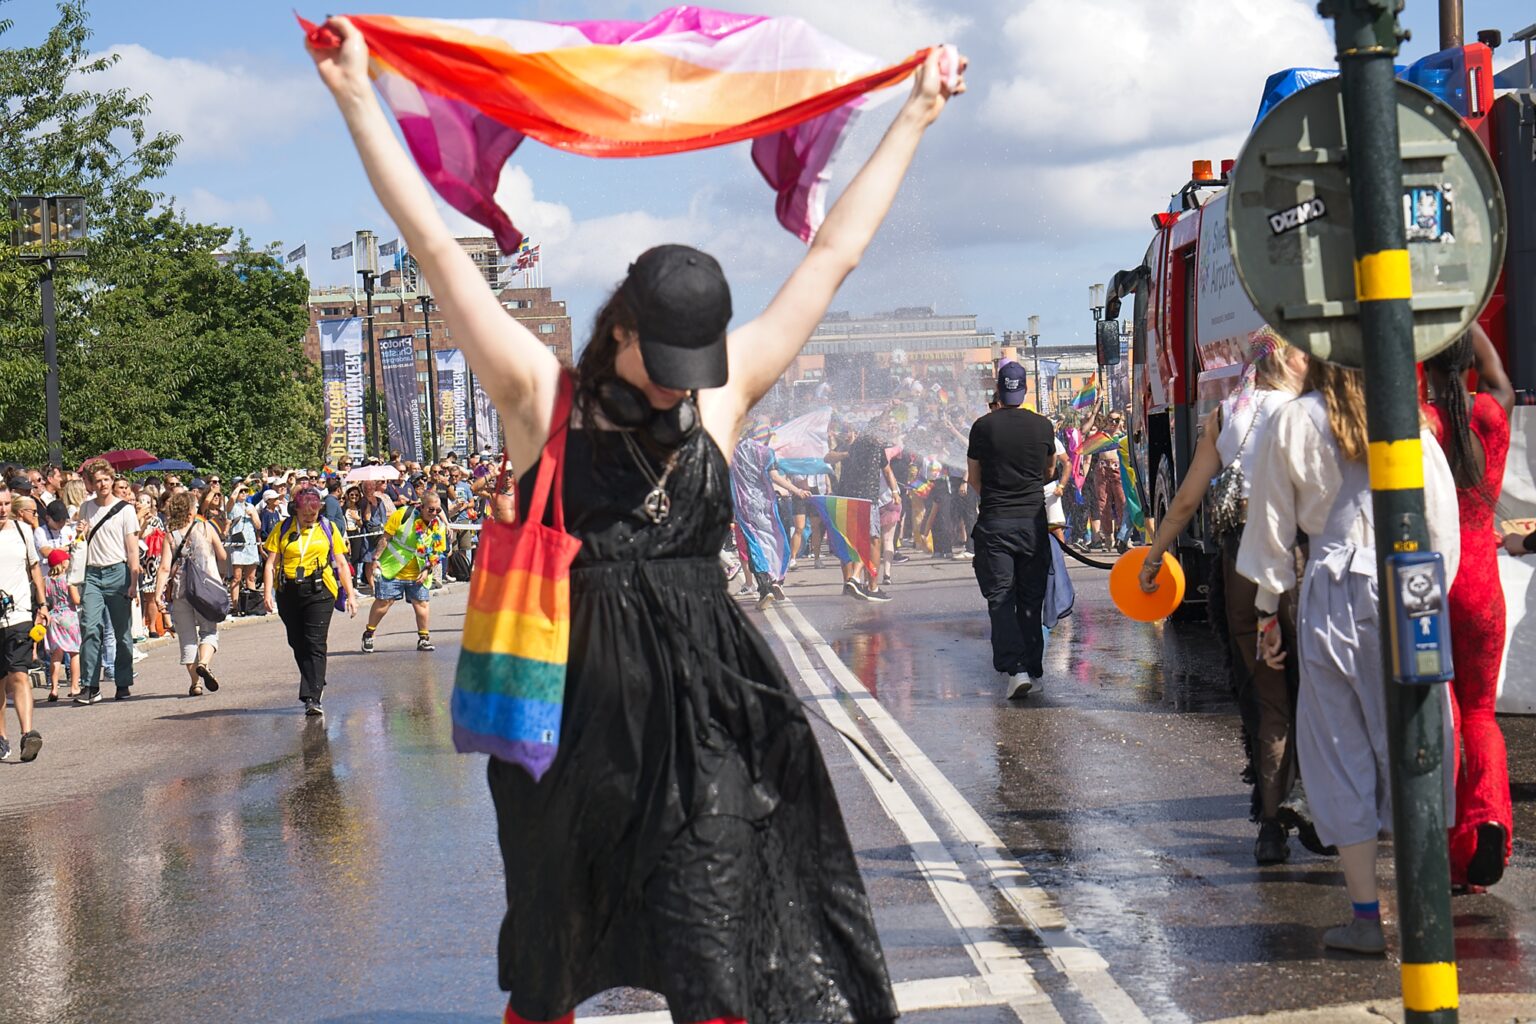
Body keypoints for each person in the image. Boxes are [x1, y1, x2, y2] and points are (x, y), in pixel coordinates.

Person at [309, 16, 962, 1022]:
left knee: (714, 950)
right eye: (659, 371)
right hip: (570, 727)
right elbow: (435, 249)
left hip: (705, 720)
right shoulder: (541, 397)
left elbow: (832, 257)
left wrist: (914, 113)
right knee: (553, 952)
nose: (672, 397)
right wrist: (358, 96)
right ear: (618, 333)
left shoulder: (720, 394)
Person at [1238, 361, 1459, 955]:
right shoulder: (1406, 419)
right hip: (1411, 581)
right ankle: (1423, 909)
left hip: (1333, 588)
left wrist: (1266, 612)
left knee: (1338, 749)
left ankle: (1367, 918)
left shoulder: (1294, 420)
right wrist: (1434, 598)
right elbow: (1441, 516)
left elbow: (1271, 529)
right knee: (1418, 739)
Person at [1139, 333, 1312, 864]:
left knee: (1264, 696)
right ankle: (1321, 805)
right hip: (1301, 567)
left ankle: (1270, 826)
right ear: (1285, 359)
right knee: (1318, 687)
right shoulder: (1304, 414)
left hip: (1241, 567)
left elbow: (1188, 497)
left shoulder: (1225, 417)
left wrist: (1153, 557)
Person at [1423, 325, 1516, 888]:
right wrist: (1466, 315)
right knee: (1481, 710)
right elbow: (1500, 375)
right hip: (1484, 584)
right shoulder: (1493, 415)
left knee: (1442, 714)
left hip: (1436, 580)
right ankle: (1487, 824)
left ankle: (1448, 840)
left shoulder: (1423, 426)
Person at [966, 362, 1057, 699]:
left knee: (1001, 596)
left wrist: (996, 497)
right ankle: (1033, 669)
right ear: (1024, 391)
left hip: (995, 523)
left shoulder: (982, 427)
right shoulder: (1043, 426)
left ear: (998, 392)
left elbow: (974, 479)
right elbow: (1049, 470)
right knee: (1030, 598)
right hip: (1032, 524)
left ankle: (1015, 668)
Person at [263, 487, 359, 715]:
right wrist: (268, 593)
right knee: (297, 642)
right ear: (295, 509)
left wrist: (351, 595)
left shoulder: (328, 528)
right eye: (306, 513)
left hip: (320, 590)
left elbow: (342, 563)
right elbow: (270, 564)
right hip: (288, 590)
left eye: (314, 513)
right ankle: (315, 677)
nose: (310, 517)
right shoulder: (283, 528)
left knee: (315, 642)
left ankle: (313, 697)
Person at [75, 459, 140, 704]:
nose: (102, 484)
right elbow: (80, 543)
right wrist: (81, 532)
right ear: (91, 483)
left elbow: (132, 549)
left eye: (106, 479)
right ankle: (90, 685)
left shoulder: (125, 509)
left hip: (118, 573)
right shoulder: (86, 508)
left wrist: (133, 580)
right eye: (97, 480)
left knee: (122, 633)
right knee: (90, 627)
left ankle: (123, 682)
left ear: (112, 481)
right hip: (92, 574)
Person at [155, 491, 228, 697]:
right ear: (190, 510)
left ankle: (195, 684)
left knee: (187, 638)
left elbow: (163, 568)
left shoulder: (170, 535)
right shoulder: (206, 527)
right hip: (206, 591)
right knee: (208, 631)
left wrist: (160, 594)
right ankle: (204, 663)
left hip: (181, 591)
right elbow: (222, 555)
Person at [362, 491, 448, 653]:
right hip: (392, 568)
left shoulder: (439, 527)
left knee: (421, 604)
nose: (434, 513)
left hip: (419, 571)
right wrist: (376, 560)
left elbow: (437, 552)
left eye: (438, 510)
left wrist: (427, 570)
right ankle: (369, 633)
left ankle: (424, 638)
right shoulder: (403, 514)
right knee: (383, 603)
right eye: (431, 509)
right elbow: (385, 538)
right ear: (421, 507)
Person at [0, 486, 46, 761]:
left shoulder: (21, 531)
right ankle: (1, 736)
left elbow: (34, 568)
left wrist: (42, 604)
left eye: (5, 503)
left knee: (19, 673)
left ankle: (28, 735)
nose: (1, 509)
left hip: (18, 614)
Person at [829, 422, 895, 601]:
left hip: (852, 498)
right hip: (864, 500)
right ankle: (863, 583)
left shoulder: (872, 448)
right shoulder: (859, 447)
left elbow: (887, 471)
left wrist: (895, 491)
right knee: (870, 540)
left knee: (858, 539)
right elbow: (828, 458)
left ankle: (857, 582)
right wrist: (846, 454)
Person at [43, 548, 81, 702]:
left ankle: (54, 688)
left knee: (56, 653)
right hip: (68, 616)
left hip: (53, 616)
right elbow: (76, 600)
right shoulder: (68, 579)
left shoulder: (46, 580)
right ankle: (74, 687)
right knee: (74, 652)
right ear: (62, 562)